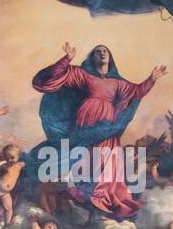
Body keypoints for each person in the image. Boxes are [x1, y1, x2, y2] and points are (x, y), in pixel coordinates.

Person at [32, 42, 165, 218]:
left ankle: (101, 197)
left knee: (106, 159)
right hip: (87, 118)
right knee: (85, 155)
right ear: (91, 58)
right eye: (97, 52)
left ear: (110, 58)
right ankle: (83, 194)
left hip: (108, 123)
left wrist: (152, 79)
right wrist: (67, 59)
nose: (102, 54)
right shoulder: (84, 75)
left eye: (105, 51)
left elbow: (137, 92)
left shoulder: (118, 83)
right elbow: (59, 75)